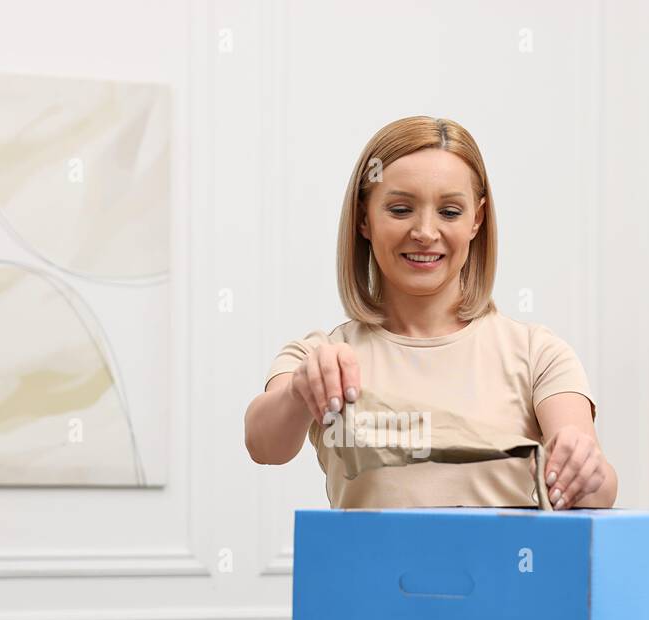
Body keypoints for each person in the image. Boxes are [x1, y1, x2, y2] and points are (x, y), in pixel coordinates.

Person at [244, 116, 617, 510]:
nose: (424, 231)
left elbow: (600, 489)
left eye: (450, 212)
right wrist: (301, 389)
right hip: (370, 573)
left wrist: (585, 467)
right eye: (401, 209)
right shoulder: (320, 356)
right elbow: (264, 445)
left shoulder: (538, 353)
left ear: (477, 219)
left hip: (505, 572)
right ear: (363, 219)